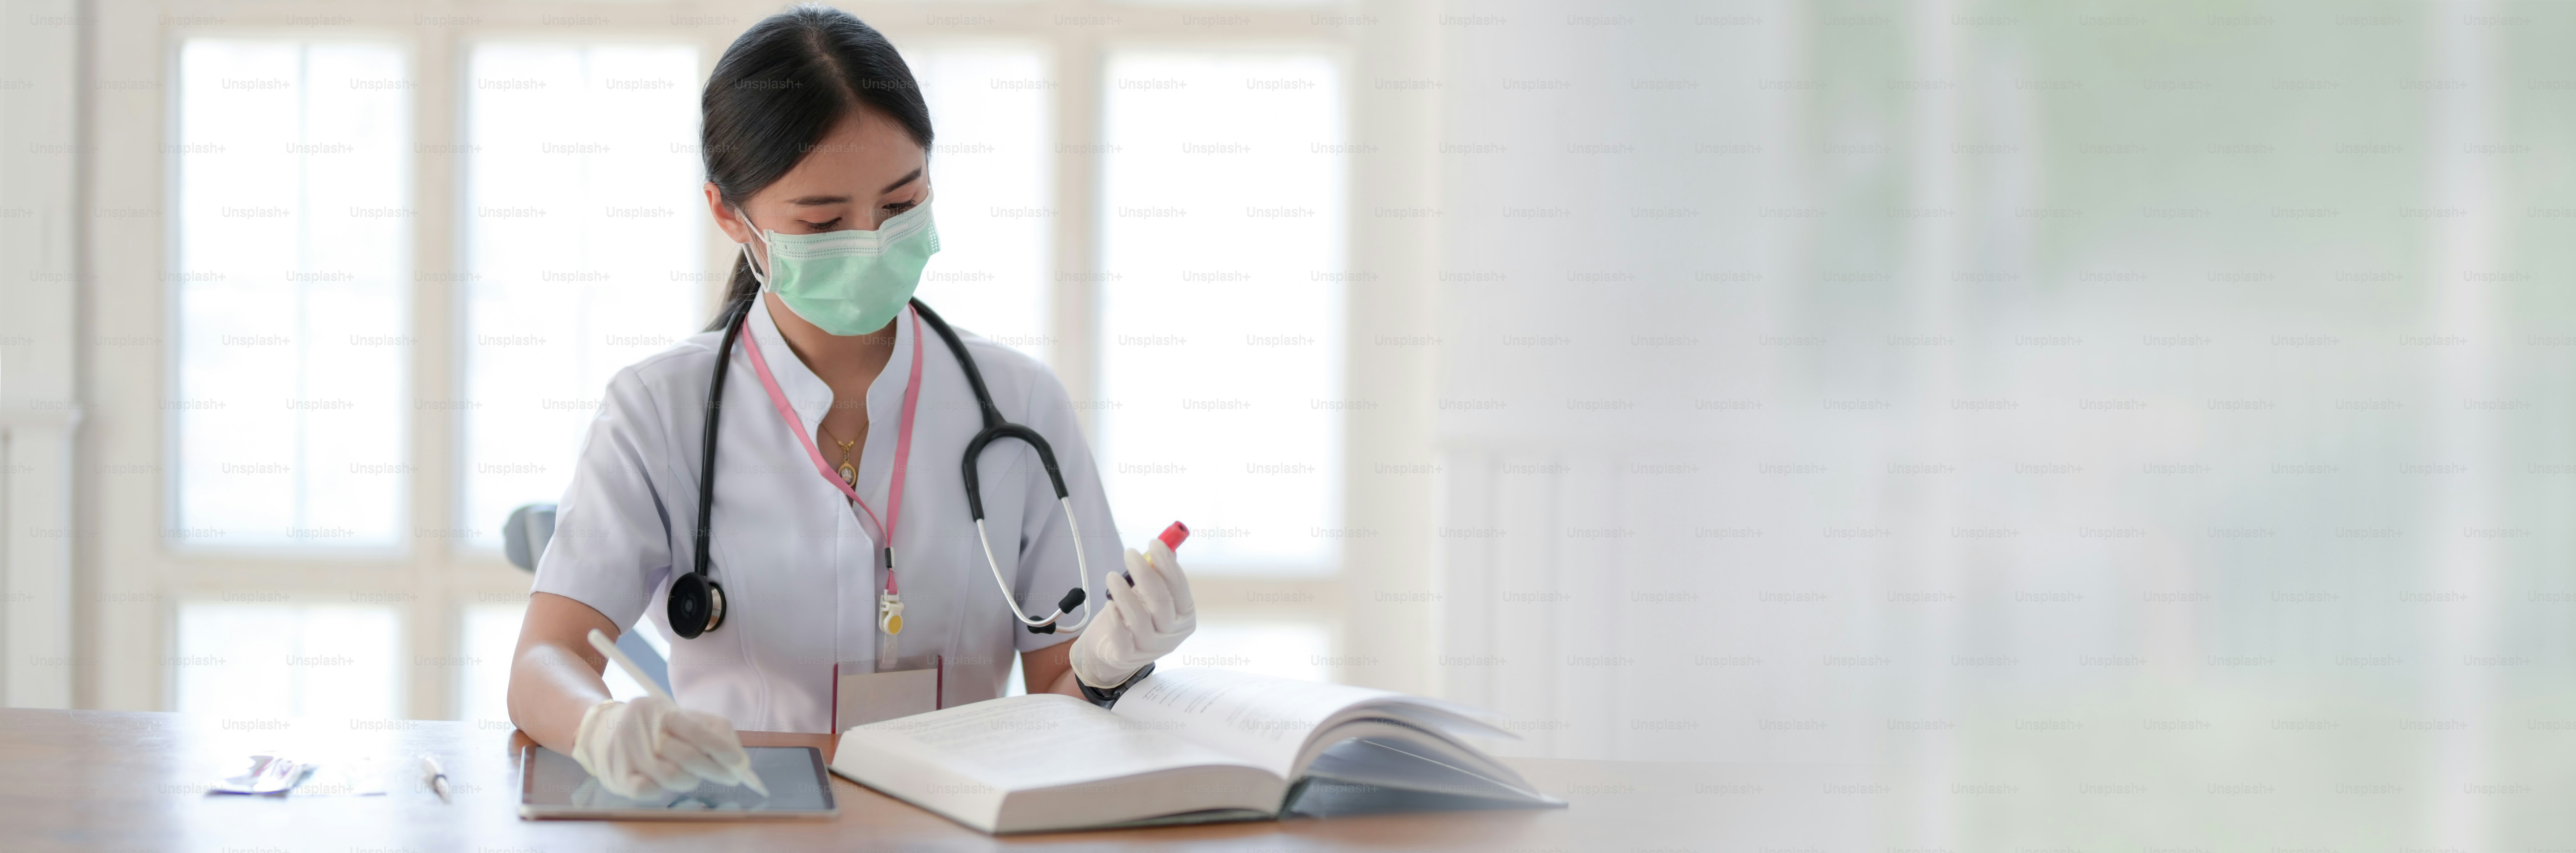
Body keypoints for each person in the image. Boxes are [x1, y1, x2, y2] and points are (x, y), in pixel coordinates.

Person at [506, 5, 1196, 798]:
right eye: (825, 221)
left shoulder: (1020, 407)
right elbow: (541, 662)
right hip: (744, 823)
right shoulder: (659, 410)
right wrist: (598, 723)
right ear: (731, 214)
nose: (871, 241)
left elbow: (1060, 701)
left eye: (901, 206)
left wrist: (1107, 667)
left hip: (959, 824)